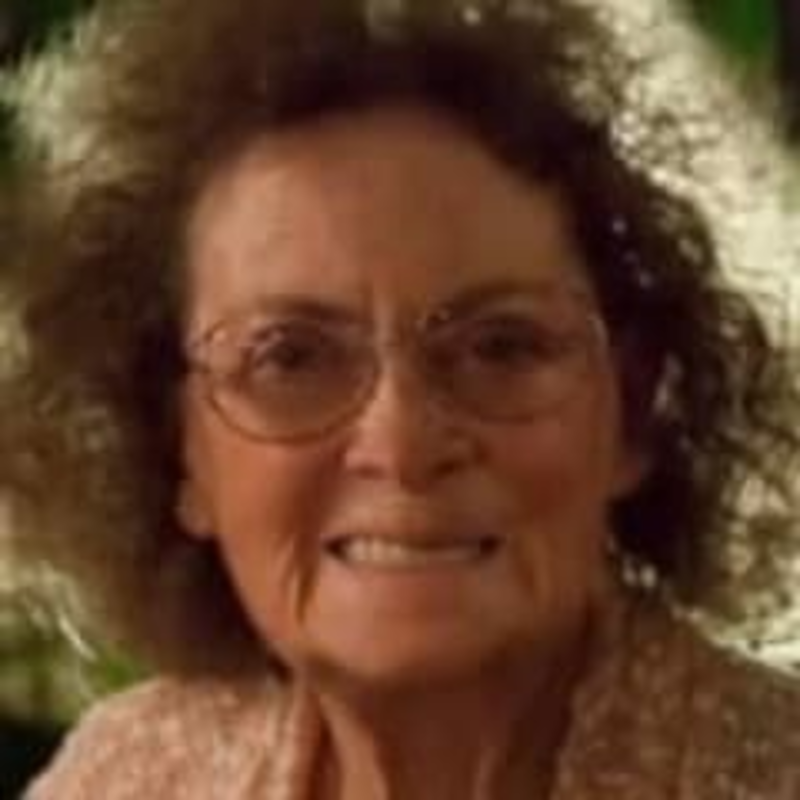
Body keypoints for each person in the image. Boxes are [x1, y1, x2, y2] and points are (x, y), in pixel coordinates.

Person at [2, 0, 800, 797]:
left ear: (637, 409)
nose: (403, 444)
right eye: (291, 358)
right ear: (182, 451)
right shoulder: (128, 774)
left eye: (501, 347)